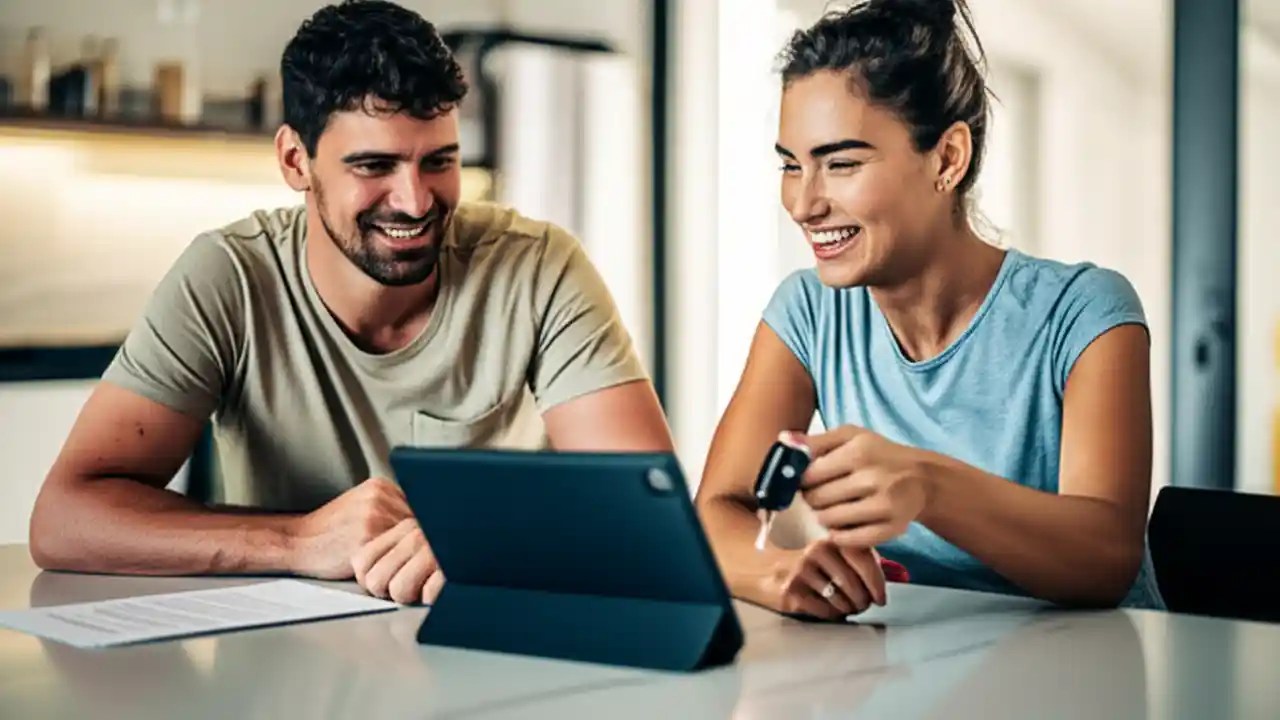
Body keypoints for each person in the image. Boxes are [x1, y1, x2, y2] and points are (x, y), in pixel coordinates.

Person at [29, 0, 672, 605]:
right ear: (294, 160)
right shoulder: (228, 276)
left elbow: (647, 512)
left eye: (438, 162)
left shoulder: (538, 266)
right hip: (288, 673)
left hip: (494, 651)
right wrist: (301, 540)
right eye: (374, 166)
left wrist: (487, 536)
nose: (415, 201)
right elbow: (66, 518)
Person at [695, 0, 1162, 620]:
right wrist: (781, 571)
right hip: (914, 659)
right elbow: (718, 510)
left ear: (947, 159)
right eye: (790, 165)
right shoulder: (808, 312)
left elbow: (1107, 557)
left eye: (841, 164)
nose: (804, 203)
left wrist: (928, 487)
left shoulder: (1084, 312)